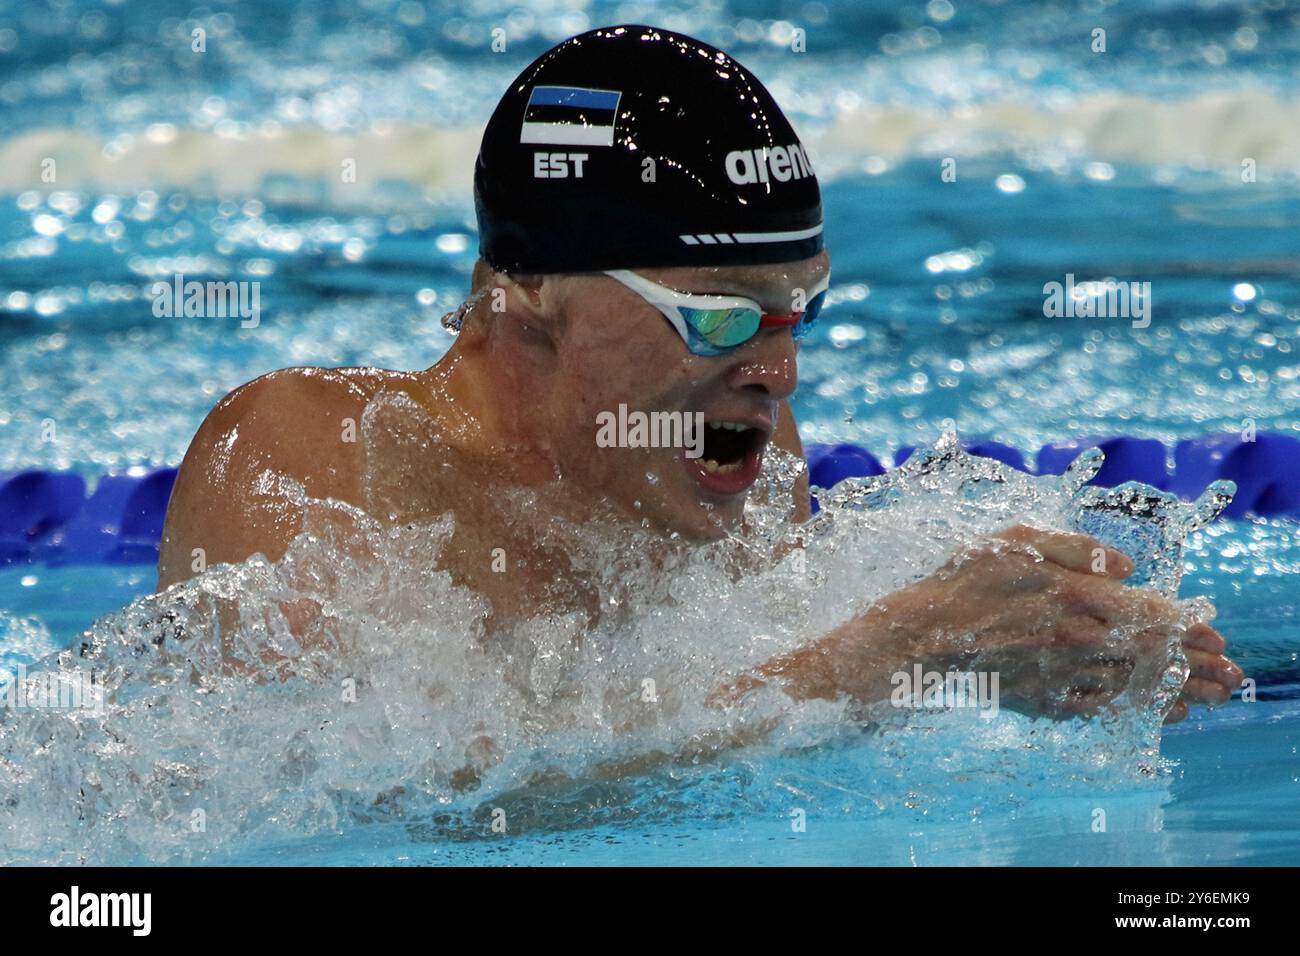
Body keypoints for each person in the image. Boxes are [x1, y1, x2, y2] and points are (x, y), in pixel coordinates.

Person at [156, 24, 1241, 725]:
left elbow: (718, 741)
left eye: (794, 309)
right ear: (532, 285)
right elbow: (346, 819)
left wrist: (1024, 655)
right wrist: (880, 656)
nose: (778, 371)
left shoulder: (741, 463)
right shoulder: (315, 458)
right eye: (718, 314)